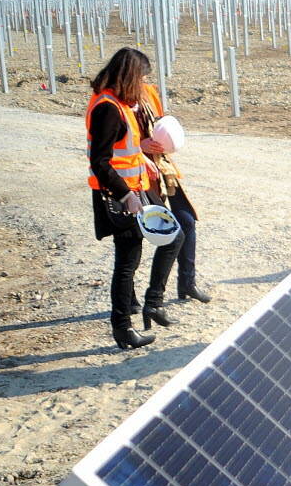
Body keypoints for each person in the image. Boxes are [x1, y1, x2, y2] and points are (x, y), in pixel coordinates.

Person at [85, 47, 179, 351]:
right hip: (118, 196)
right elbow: (100, 161)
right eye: (140, 77)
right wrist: (126, 195)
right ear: (129, 76)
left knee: (170, 238)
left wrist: (142, 158)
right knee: (127, 263)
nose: (143, 84)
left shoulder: (120, 104)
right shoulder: (107, 108)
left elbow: (126, 147)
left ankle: (148, 306)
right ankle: (123, 328)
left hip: (134, 189)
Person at [135, 81, 210, 304]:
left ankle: (187, 283)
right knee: (134, 240)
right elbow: (111, 144)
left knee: (186, 221)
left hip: (162, 168)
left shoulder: (148, 92)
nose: (141, 79)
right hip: (137, 176)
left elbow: (160, 123)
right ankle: (136, 300)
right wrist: (139, 146)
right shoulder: (113, 103)